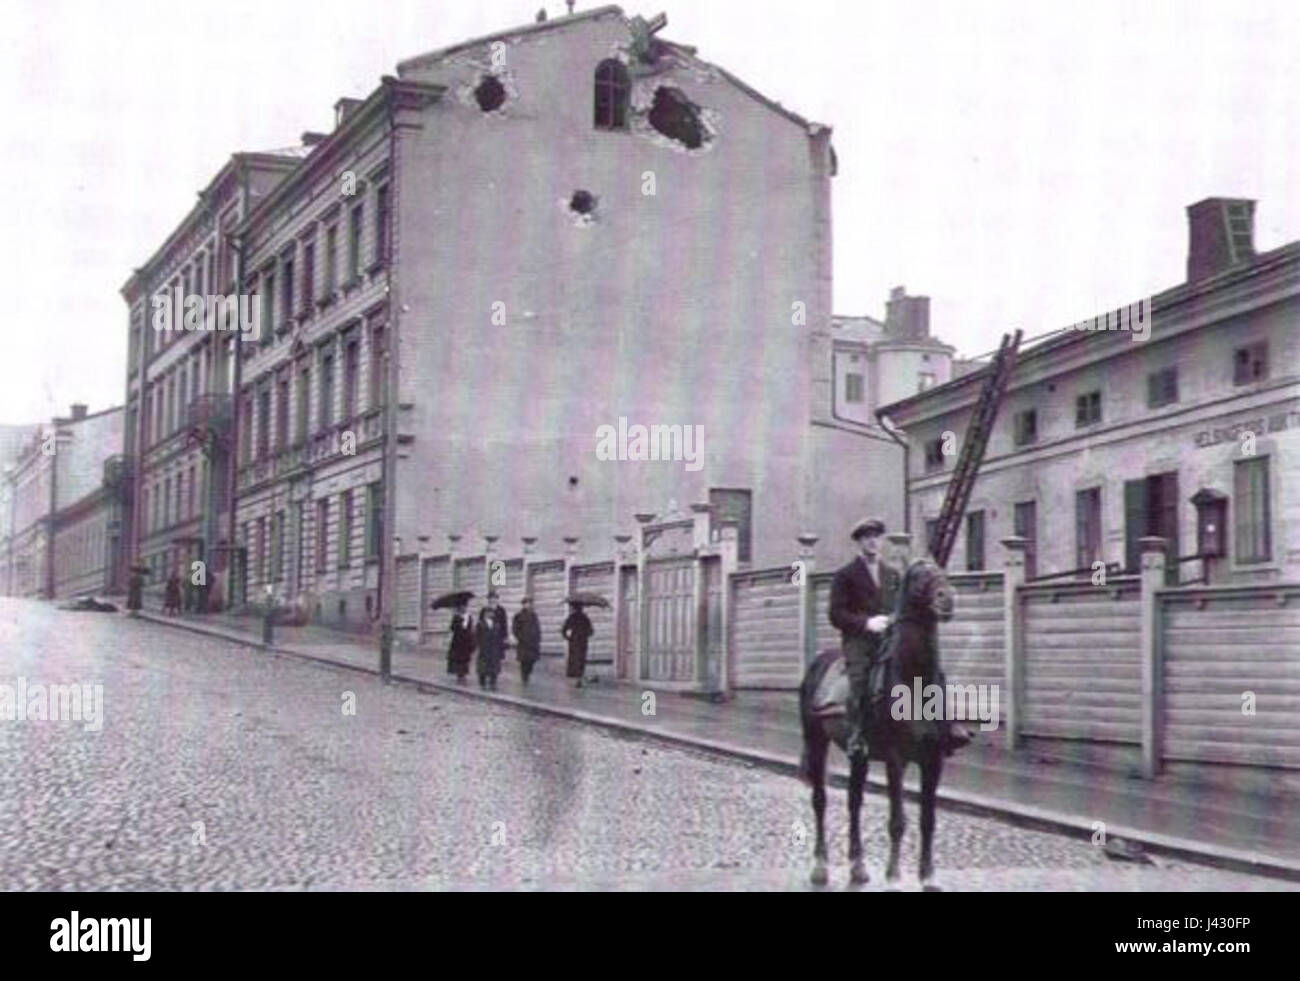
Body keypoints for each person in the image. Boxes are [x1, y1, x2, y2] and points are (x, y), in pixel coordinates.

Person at [829, 517, 900, 759]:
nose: (873, 542)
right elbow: (836, 614)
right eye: (867, 537)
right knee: (859, 679)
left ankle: (937, 727)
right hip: (859, 641)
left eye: (877, 537)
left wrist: (893, 619)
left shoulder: (892, 574)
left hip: (890, 639)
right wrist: (866, 623)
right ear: (859, 542)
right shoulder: (845, 575)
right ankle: (857, 735)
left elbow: (901, 606)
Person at [476, 591, 508, 690]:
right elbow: (479, 626)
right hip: (485, 641)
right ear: (489, 599)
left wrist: (504, 637)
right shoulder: (483, 610)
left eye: (495, 598)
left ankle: (493, 681)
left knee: (495, 661)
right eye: (491, 598)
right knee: (484, 662)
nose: (493, 600)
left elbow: (504, 624)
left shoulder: (501, 610)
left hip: (496, 639)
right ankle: (483, 679)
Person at [562, 603, 594, 688]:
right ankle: (579, 678)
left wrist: (568, 637)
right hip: (582, 642)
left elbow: (564, 630)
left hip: (574, 642)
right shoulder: (585, 618)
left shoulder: (571, 617)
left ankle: (577, 679)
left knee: (575, 660)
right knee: (581, 660)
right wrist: (586, 634)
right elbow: (591, 631)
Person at [512, 596, 542, 685]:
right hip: (524, 643)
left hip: (533, 643)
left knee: (531, 661)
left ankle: (527, 674)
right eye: (527, 603)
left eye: (530, 603)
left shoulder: (534, 615)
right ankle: (524, 677)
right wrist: (521, 637)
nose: (528, 605)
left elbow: (537, 627)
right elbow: (515, 629)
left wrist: (538, 637)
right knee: (524, 661)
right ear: (523, 604)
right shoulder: (518, 616)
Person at [446, 601, 476, 684]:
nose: (464, 609)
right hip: (458, 641)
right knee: (459, 659)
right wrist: (460, 623)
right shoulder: (456, 617)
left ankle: (464, 675)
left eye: (465, 607)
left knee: (465, 659)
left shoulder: (469, 617)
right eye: (462, 607)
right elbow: (452, 628)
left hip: (466, 641)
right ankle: (460, 676)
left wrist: (472, 639)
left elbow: (471, 628)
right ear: (459, 608)